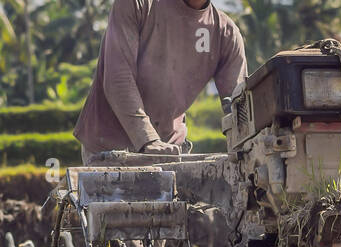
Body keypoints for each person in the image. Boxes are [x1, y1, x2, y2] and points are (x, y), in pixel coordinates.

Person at [74, 0, 247, 162]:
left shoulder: (226, 33)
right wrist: (148, 140)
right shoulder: (138, 4)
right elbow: (118, 79)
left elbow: (239, 105)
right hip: (109, 149)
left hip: (170, 149)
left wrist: (247, 152)